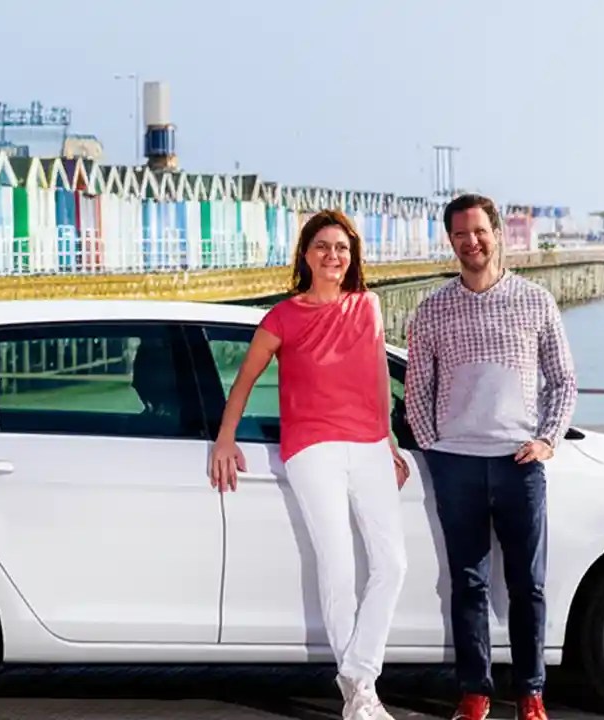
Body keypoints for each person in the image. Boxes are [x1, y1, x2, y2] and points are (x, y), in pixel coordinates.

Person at [209, 209, 409, 720]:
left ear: (352, 255)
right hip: (312, 447)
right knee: (338, 564)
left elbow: (374, 383)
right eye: (322, 246)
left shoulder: (368, 306)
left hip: (368, 445)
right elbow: (245, 380)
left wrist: (388, 441)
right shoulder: (282, 317)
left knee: (393, 564)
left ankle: (358, 673)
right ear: (305, 255)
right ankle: (361, 695)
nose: (332, 256)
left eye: (341, 248)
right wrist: (225, 438)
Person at [404, 194, 577, 720]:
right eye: (460, 234)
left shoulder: (535, 301)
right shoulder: (433, 308)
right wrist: (436, 447)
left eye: (478, 231)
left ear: (496, 233)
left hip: (519, 464)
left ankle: (530, 694)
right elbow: (416, 388)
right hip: (455, 464)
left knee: (528, 585)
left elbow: (563, 379)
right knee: (468, 584)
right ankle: (475, 693)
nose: (470, 242)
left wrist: (548, 438)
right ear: (451, 240)